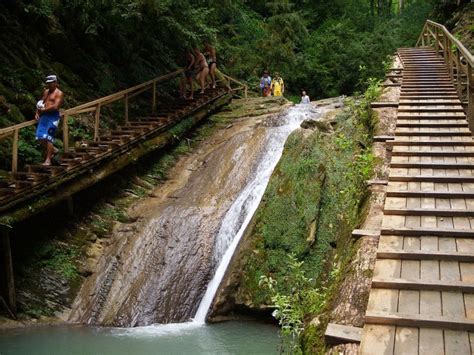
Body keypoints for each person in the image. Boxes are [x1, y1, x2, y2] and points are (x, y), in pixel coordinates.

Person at [35, 75, 64, 166]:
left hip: (53, 117)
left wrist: (44, 110)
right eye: (48, 83)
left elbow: (56, 106)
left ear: (55, 83)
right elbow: (41, 103)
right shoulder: (46, 92)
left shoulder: (59, 93)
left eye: (50, 83)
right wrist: (37, 112)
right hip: (44, 116)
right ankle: (54, 150)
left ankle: (48, 160)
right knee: (39, 137)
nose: (49, 85)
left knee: (48, 137)